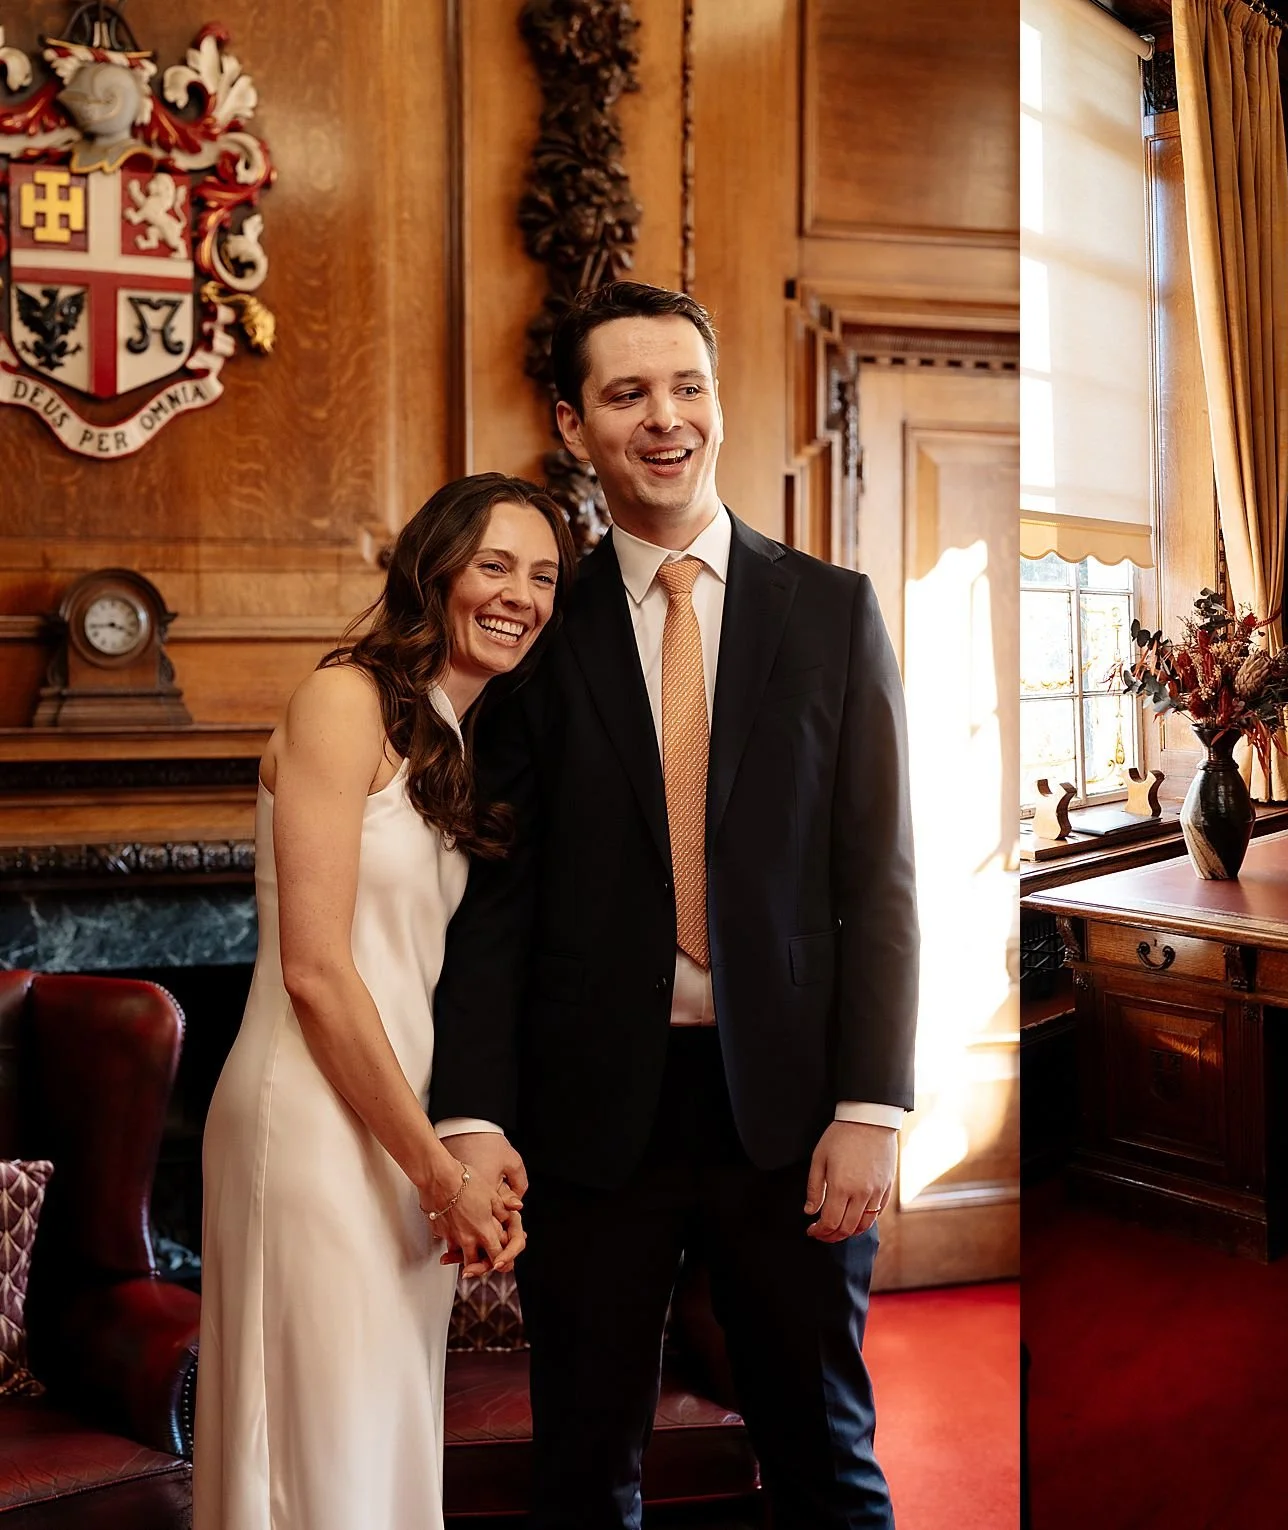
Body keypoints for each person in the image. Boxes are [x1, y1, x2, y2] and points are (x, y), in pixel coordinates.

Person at [430, 282, 918, 1529]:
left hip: (797, 1115)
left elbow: (880, 878)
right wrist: (473, 1116)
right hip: (593, 1121)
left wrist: (873, 1106)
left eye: (687, 386)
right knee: (586, 1470)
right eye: (627, 393)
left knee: (826, 1459)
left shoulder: (835, 611)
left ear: (719, 401)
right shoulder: (537, 630)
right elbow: (497, 902)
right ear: (575, 422)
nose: (665, 418)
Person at [194, 474, 577, 1530]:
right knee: (312, 1460)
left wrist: (457, 1149)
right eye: (495, 565)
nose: (521, 596)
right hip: (314, 1126)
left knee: (379, 1444)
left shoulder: (455, 740)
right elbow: (315, 971)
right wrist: (437, 1172)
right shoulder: (341, 700)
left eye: (544, 576)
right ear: (434, 568)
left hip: (399, 1128)